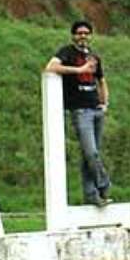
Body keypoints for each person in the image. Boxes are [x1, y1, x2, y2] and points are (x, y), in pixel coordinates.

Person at [45, 20, 112, 206]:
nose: (83, 36)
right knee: (91, 152)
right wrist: (79, 70)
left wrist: (104, 102)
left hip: (96, 108)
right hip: (79, 110)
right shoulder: (66, 52)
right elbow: (51, 67)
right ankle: (104, 183)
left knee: (89, 155)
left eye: (86, 33)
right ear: (73, 35)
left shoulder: (94, 56)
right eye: (79, 33)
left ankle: (92, 196)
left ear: (91, 35)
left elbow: (101, 80)